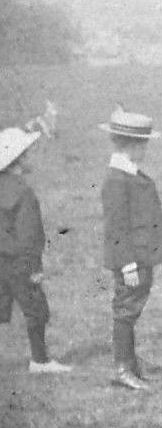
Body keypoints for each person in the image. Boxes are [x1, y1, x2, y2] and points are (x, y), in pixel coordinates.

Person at [99, 108, 162, 390]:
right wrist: (127, 264)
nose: (146, 149)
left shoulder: (129, 174)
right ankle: (123, 368)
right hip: (131, 258)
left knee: (130, 309)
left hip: (140, 254)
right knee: (126, 310)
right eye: (144, 143)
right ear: (132, 145)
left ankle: (130, 365)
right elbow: (116, 226)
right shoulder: (117, 179)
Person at [0, 122, 73, 374]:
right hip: (19, 262)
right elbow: (30, 236)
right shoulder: (24, 192)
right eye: (26, 154)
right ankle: (40, 360)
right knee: (36, 310)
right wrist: (34, 267)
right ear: (18, 160)